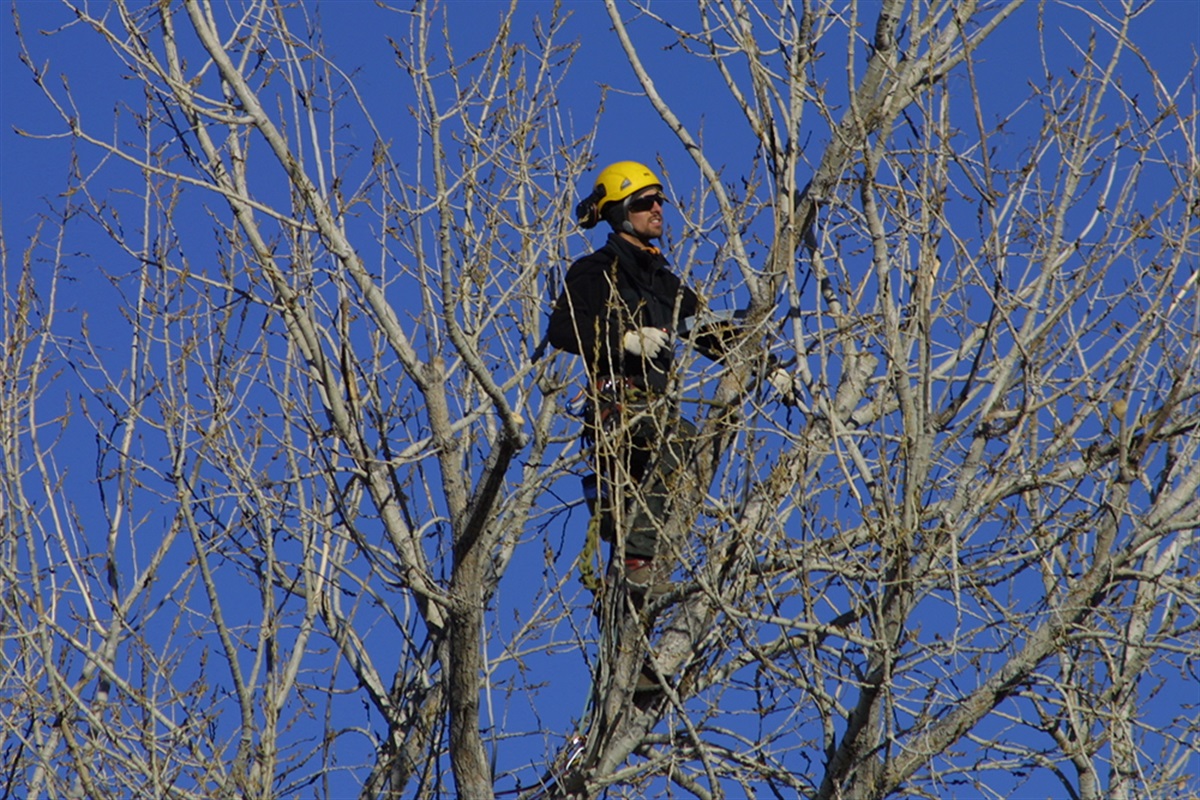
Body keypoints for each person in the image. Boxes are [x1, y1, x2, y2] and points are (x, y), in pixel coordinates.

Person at [547, 161, 708, 598]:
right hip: (619, 408)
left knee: (700, 450)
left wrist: (772, 365)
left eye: (659, 199)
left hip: (657, 410)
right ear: (618, 212)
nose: (657, 208)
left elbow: (713, 332)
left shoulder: (663, 281)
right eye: (644, 202)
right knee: (679, 439)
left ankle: (649, 559)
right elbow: (560, 329)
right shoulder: (595, 270)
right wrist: (625, 339)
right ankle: (637, 561)